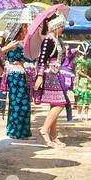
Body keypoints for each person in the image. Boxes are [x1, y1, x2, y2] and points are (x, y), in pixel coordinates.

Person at [30, 14, 69, 147]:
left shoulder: (56, 40)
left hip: (54, 74)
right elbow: (42, 59)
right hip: (48, 75)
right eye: (62, 26)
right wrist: (40, 76)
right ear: (57, 26)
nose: (63, 29)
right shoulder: (48, 40)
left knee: (55, 103)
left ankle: (54, 135)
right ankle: (44, 130)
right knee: (60, 103)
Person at [3, 24, 33, 140]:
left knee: (23, 102)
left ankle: (22, 131)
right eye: (25, 28)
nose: (27, 30)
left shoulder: (19, 44)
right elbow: (28, 58)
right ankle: (15, 131)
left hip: (19, 74)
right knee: (17, 102)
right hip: (15, 75)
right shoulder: (15, 45)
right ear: (19, 31)